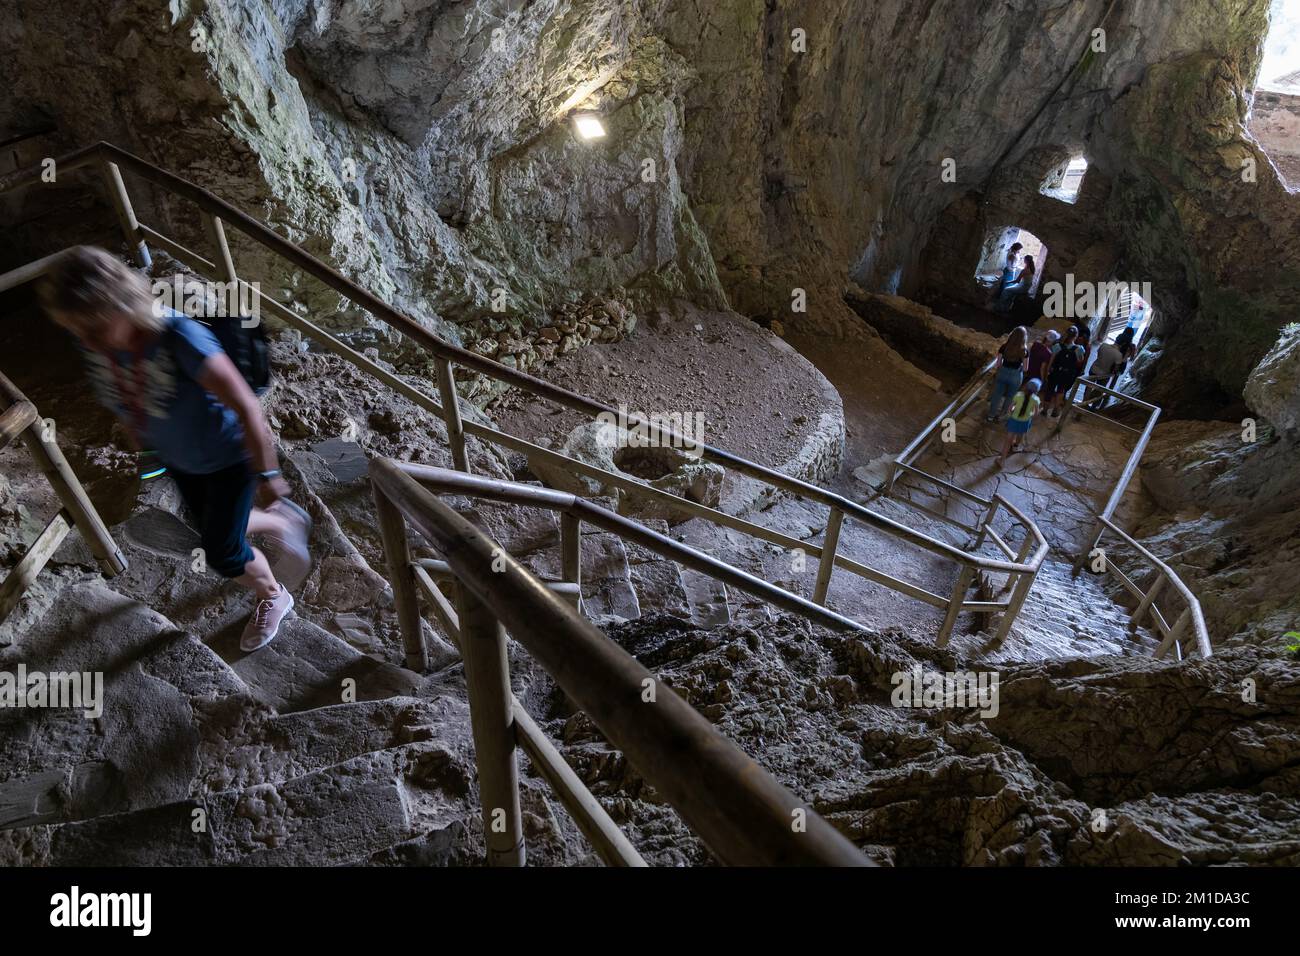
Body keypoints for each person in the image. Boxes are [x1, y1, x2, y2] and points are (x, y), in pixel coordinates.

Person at [39, 246, 312, 652]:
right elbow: (125, 396)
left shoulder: (180, 338)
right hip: (181, 460)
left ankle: (274, 593)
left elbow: (246, 407)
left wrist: (269, 476)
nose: (86, 340)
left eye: (93, 328)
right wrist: (146, 445)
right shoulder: (99, 346)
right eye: (77, 330)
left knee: (222, 553)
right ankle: (278, 523)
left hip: (227, 459)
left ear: (120, 304)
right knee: (213, 527)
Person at [986, 326, 1028, 422]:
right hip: (1016, 375)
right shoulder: (1024, 351)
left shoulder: (1004, 347)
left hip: (1003, 372)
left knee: (997, 394)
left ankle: (991, 415)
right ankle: (1001, 416)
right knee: (1010, 396)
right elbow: (1025, 368)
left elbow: (998, 364)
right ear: (1024, 337)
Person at [1043, 325, 1086, 418]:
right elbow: (1080, 360)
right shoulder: (1079, 349)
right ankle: (1055, 411)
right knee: (1061, 391)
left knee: (1050, 390)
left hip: (1055, 371)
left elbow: (1051, 360)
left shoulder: (1057, 346)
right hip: (1067, 374)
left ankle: (1045, 410)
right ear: (1076, 336)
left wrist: (1047, 371)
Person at [999, 377, 1041, 465]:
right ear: (1037, 390)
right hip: (1025, 421)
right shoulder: (1036, 400)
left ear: (1025, 386)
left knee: (1008, 440)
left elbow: (1010, 409)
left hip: (1014, 419)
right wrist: (1030, 414)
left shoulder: (1018, 395)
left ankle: (1002, 460)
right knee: (1020, 434)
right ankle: (1016, 446)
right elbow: (1035, 414)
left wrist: (1012, 413)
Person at [1086, 337, 1133, 410]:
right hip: (1104, 374)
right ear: (1123, 344)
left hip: (1093, 369)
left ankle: (1083, 403)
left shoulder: (1103, 345)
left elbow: (1099, 356)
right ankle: (1093, 407)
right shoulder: (1119, 355)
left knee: (1088, 388)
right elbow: (1116, 369)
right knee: (1099, 391)